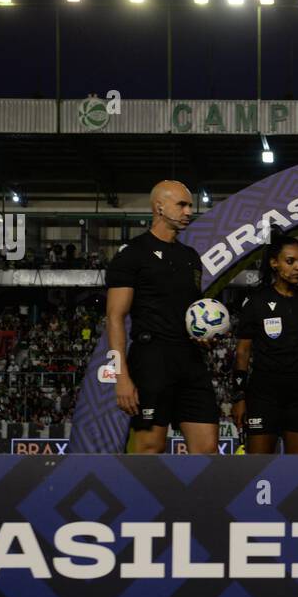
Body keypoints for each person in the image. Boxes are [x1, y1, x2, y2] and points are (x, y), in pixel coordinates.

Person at [104, 179, 218, 454]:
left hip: (191, 361)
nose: (189, 211)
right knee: (148, 447)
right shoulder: (132, 254)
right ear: (159, 207)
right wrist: (121, 376)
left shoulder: (191, 257)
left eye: (191, 205)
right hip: (151, 359)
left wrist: (203, 335)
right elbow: (115, 317)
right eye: (182, 204)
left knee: (207, 450)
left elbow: (192, 311)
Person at [231, 232, 298, 454]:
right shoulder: (255, 303)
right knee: (258, 470)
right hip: (263, 394)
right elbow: (242, 353)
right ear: (274, 264)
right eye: (290, 261)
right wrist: (239, 396)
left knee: (297, 472)